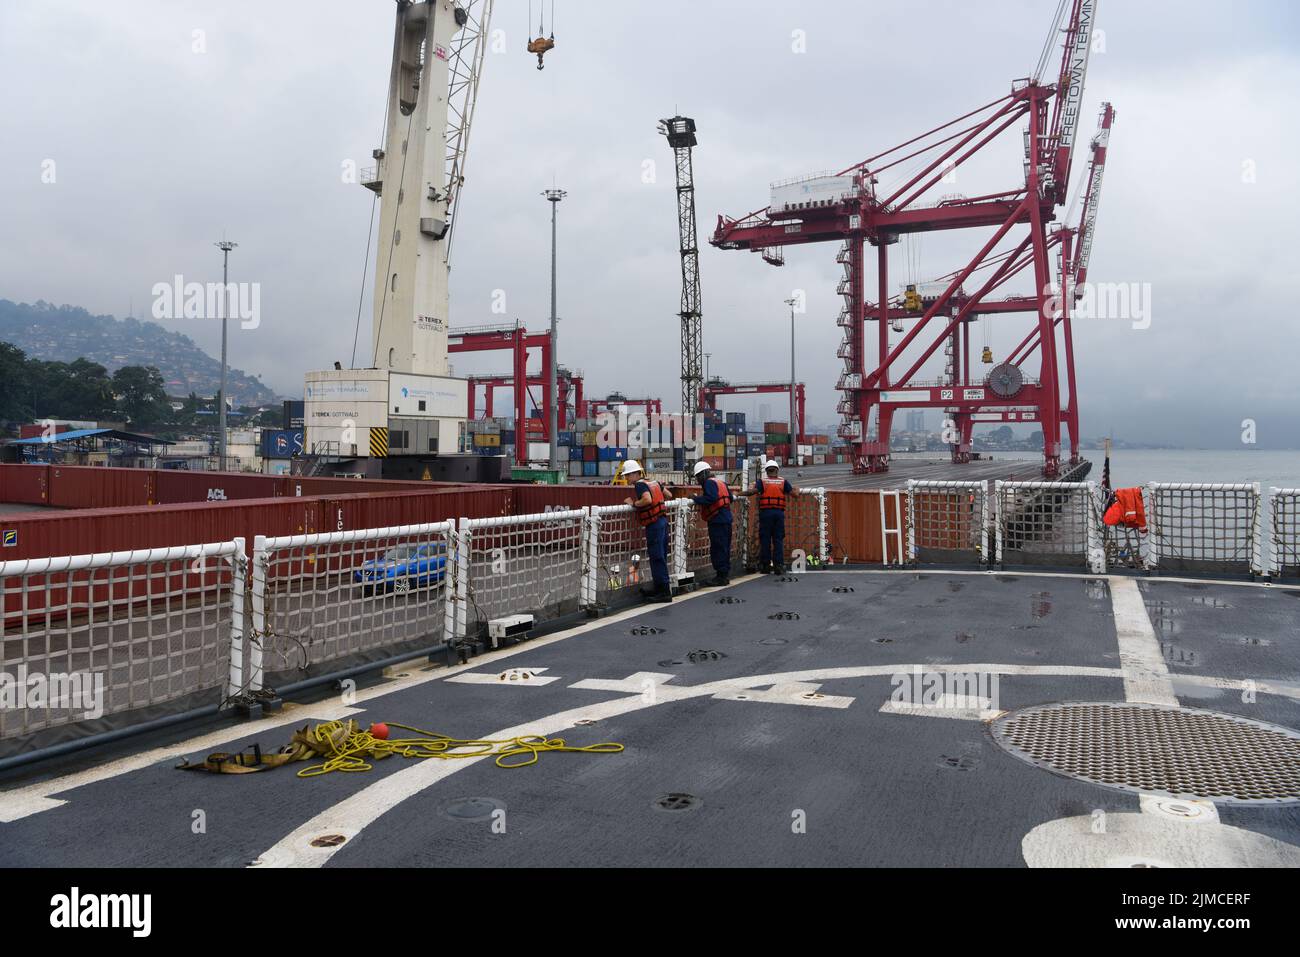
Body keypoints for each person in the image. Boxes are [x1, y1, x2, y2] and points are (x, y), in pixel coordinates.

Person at [622, 460, 673, 602]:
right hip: (663, 521)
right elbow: (668, 495)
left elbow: (647, 500)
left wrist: (633, 503)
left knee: (656, 557)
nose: (626, 478)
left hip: (654, 525)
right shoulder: (653, 482)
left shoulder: (639, 485)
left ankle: (663, 593)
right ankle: (660, 588)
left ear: (634, 474)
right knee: (661, 556)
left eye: (627, 475)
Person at [745, 458, 796, 573]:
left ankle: (765, 566)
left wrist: (740, 493)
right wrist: (796, 489)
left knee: (765, 540)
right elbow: (794, 494)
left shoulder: (762, 482)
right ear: (777, 470)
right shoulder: (783, 481)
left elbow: (752, 492)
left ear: (767, 471)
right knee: (778, 540)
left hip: (766, 513)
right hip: (778, 514)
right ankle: (779, 566)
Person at [690, 460, 732, 586]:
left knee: (718, 547)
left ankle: (721, 577)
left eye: (698, 476)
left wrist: (695, 498)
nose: (698, 480)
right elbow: (729, 498)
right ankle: (724, 574)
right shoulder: (721, 482)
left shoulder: (708, 483)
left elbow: (711, 498)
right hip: (726, 519)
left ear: (703, 474)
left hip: (717, 520)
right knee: (725, 547)